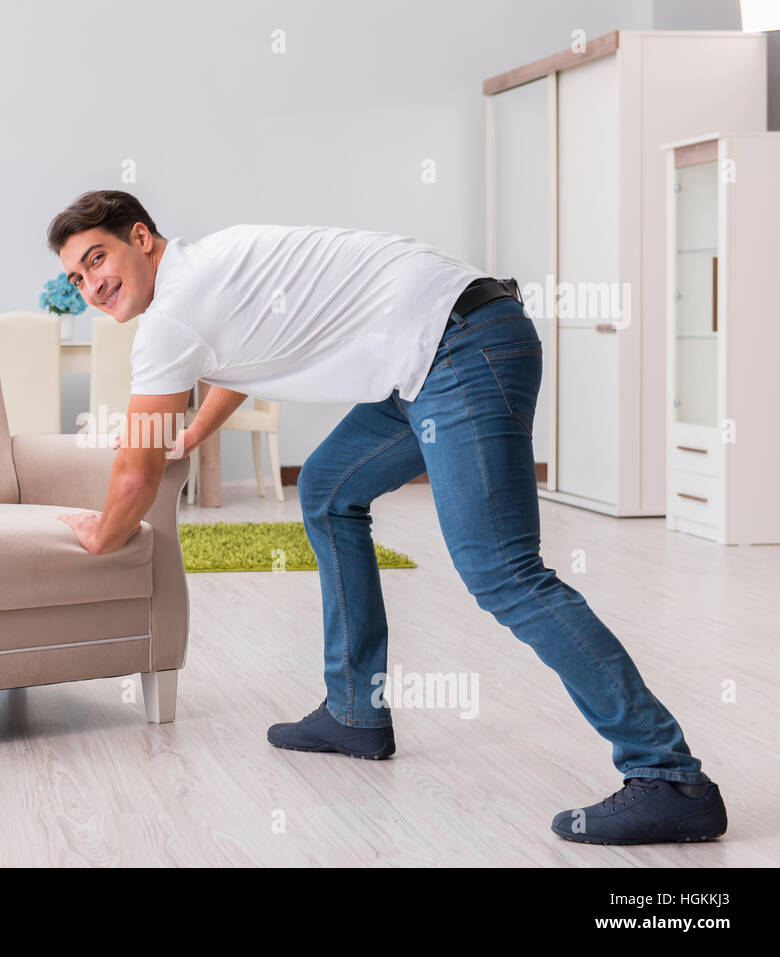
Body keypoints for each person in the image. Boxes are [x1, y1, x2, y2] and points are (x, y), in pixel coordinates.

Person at [49, 189, 726, 845]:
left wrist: (102, 536)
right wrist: (195, 432)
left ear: (141, 237)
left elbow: (135, 473)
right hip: (446, 348)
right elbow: (243, 358)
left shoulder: (172, 313)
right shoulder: (207, 271)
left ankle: (667, 776)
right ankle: (353, 712)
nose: (91, 283)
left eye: (97, 259)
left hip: (457, 350)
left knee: (503, 572)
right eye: (77, 277)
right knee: (326, 488)